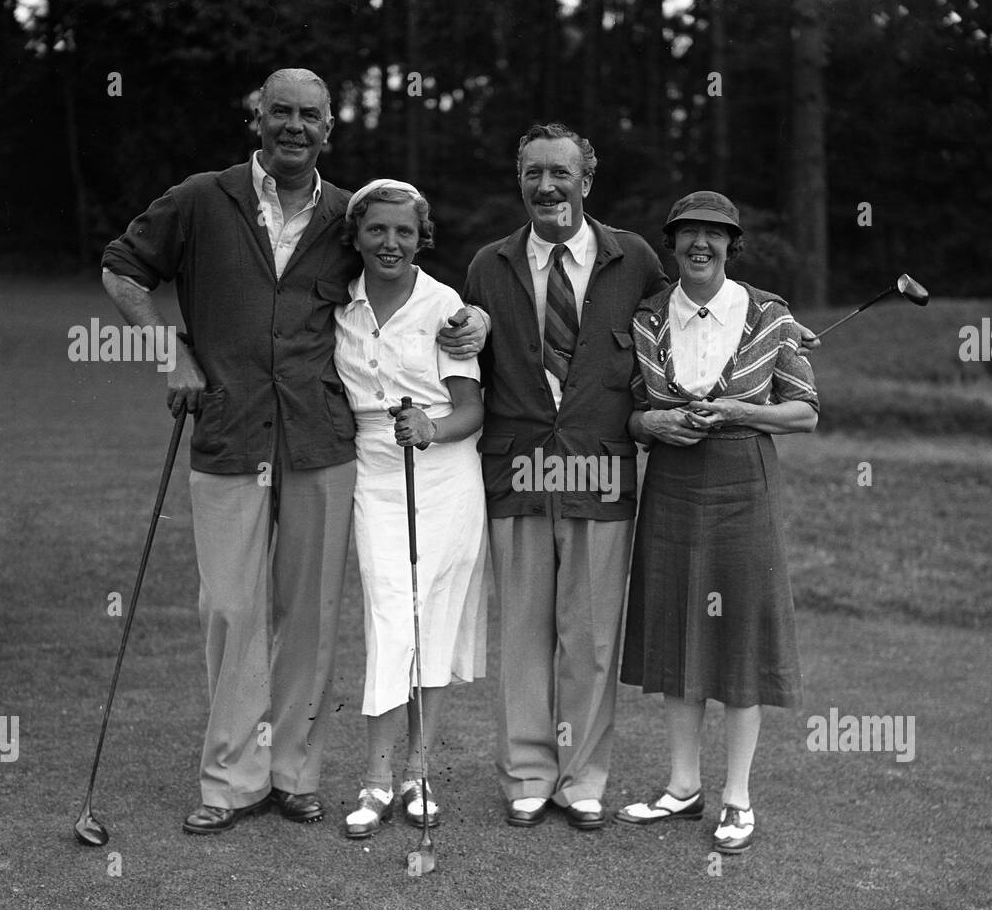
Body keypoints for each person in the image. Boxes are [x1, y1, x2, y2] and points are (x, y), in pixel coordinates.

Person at [100, 69, 486, 834]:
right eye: (281, 112)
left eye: (310, 115)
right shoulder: (202, 199)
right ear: (258, 118)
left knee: (308, 614)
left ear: (329, 128)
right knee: (231, 608)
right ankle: (230, 780)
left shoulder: (351, 215)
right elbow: (121, 269)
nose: (294, 127)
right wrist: (169, 349)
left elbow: (413, 282)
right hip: (229, 430)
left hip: (320, 441)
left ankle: (295, 774)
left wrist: (472, 317)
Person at [462, 122, 669, 830]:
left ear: (588, 178)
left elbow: (673, 344)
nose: (546, 186)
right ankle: (526, 771)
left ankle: (582, 776)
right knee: (522, 629)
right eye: (532, 173)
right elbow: (469, 372)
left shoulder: (634, 260)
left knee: (590, 637)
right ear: (518, 179)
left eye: (560, 173)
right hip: (517, 469)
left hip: (600, 473)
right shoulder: (489, 265)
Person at [615, 191, 819, 854]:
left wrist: (737, 412)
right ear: (672, 245)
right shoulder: (648, 317)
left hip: (742, 481)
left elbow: (805, 412)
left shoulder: (769, 316)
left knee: (739, 638)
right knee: (679, 627)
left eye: (715, 234)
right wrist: (656, 422)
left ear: (732, 244)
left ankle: (736, 797)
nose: (700, 245)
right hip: (673, 481)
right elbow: (630, 415)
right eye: (688, 234)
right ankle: (682, 786)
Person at [333, 179, 487, 838]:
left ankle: (418, 773)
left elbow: (473, 408)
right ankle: (374, 780)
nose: (390, 242)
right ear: (358, 236)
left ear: (420, 236)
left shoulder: (446, 305)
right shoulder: (340, 305)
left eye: (403, 231)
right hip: (374, 472)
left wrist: (430, 428)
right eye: (377, 230)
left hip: (445, 473)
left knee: (429, 624)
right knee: (389, 613)